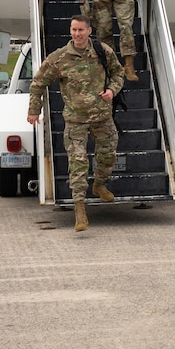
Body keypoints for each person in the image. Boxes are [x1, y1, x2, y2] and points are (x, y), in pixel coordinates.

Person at [27, 14, 124, 232]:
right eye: (73, 30)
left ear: (89, 31)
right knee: (78, 163)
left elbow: (118, 74)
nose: (77, 34)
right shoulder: (60, 58)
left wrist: (111, 91)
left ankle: (99, 184)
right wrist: (34, 110)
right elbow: (38, 84)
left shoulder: (102, 52)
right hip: (75, 121)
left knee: (109, 154)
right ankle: (80, 210)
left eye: (81, 30)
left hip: (102, 116)